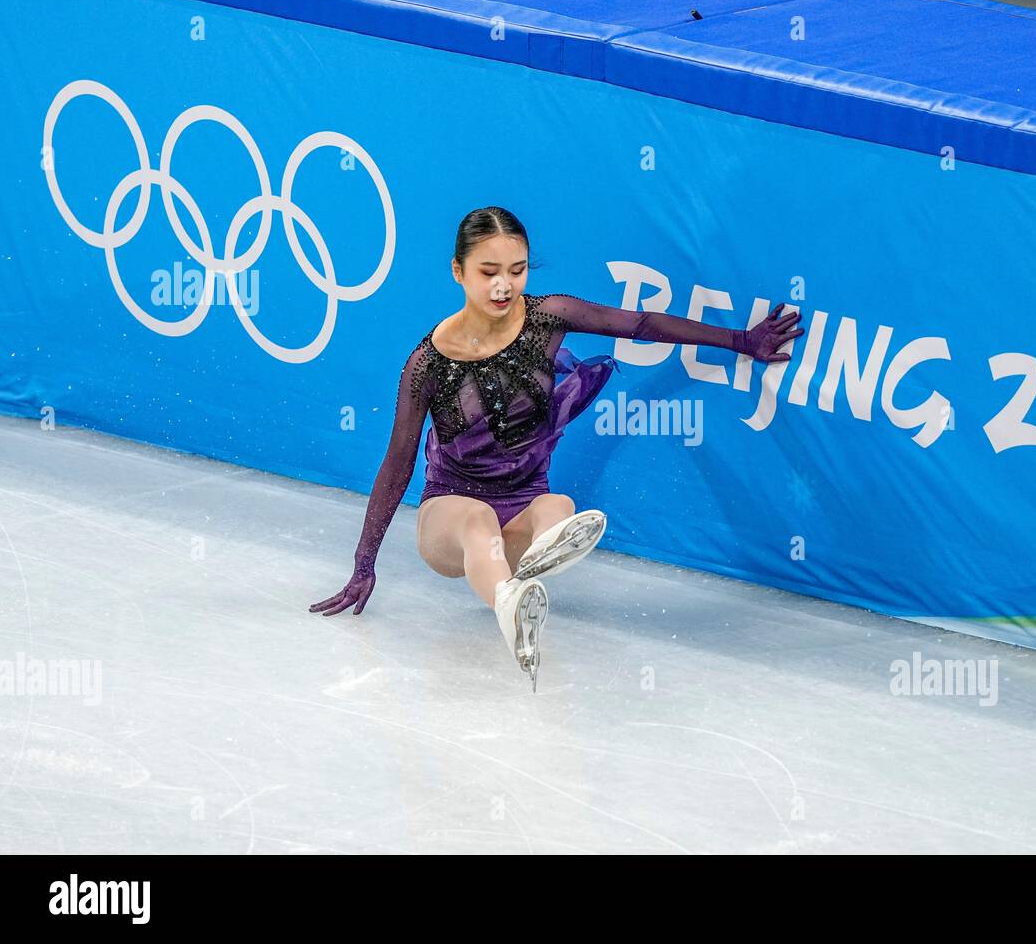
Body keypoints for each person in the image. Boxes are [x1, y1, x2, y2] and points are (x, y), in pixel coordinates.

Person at [309, 207, 803, 690]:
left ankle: (534, 565)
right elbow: (398, 463)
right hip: (451, 516)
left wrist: (741, 340)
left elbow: (641, 325)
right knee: (480, 522)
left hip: (523, 509)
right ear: (458, 271)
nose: (504, 285)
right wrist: (363, 563)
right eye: (488, 272)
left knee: (560, 507)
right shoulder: (428, 364)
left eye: (516, 270)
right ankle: (512, 606)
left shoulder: (548, 317)